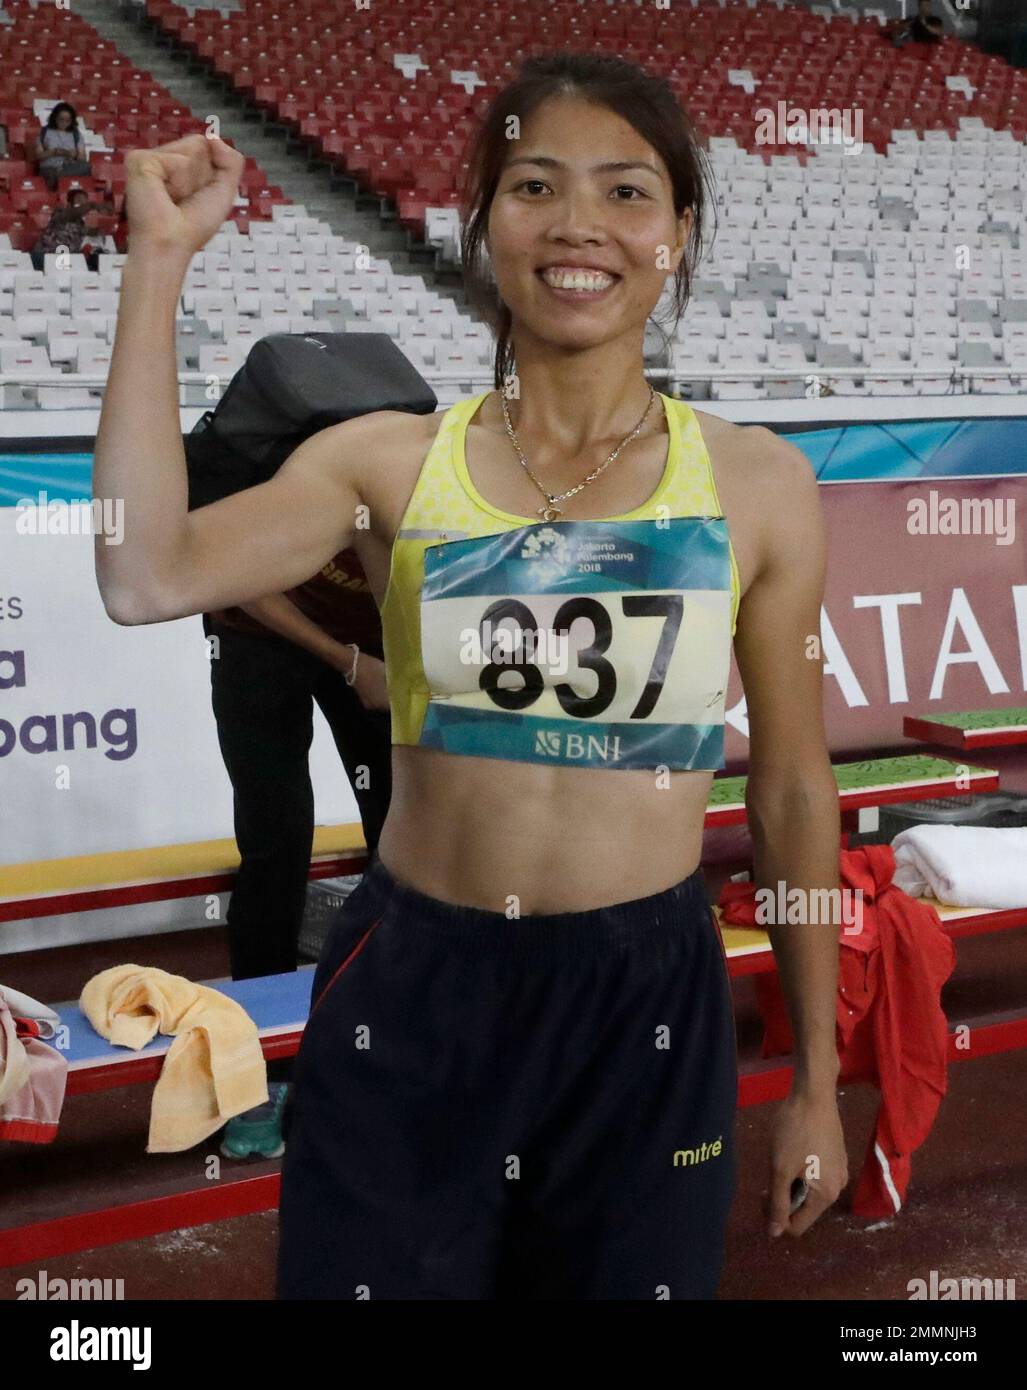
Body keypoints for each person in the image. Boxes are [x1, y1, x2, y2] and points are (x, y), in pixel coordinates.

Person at [93, 51, 848, 1301]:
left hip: (643, 1002)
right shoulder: (386, 465)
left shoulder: (759, 486)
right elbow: (141, 573)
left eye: (625, 193)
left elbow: (792, 795)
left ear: (678, 233)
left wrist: (816, 1079)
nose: (578, 228)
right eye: (535, 186)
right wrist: (159, 261)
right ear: (484, 222)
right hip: (421, 988)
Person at [208, 570, 392, 1160]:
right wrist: (346, 660)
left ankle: (396, 1041)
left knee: (402, 841)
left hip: (375, 636)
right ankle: (263, 1071)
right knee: (274, 847)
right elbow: (230, 569)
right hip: (256, 631)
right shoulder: (228, 478)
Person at [30, 187, 113, 271]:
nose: (84, 204)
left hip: (69, 261)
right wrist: (91, 205)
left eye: (85, 201)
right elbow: (75, 212)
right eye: (79, 201)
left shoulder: (84, 223)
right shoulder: (60, 212)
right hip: (45, 256)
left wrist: (101, 215)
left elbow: (94, 233)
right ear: (69, 204)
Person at [29, 102, 91, 191]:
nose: (64, 123)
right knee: (52, 175)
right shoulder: (44, 132)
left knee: (86, 167)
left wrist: (72, 154)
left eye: (68, 121)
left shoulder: (75, 134)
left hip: (69, 167)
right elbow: (38, 155)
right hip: (49, 168)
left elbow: (83, 158)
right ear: (55, 118)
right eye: (61, 120)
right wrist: (53, 152)